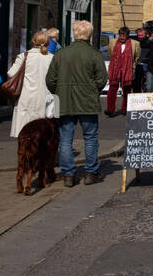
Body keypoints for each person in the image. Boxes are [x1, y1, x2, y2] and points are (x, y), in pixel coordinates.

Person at [45, 19, 108, 185]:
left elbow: (50, 80)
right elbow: (102, 80)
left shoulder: (61, 54)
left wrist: (58, 92)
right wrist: (93, 90)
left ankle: (68, 175)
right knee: (90, 137)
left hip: (64, 99)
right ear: (89, 34)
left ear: (74, 33)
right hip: (87, 100)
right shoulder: (94, 54)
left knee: (65, 139)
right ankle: (90, 172)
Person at [9, 30, 60, 138]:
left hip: (27, 97)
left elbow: (11, 73)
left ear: (33, 41)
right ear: (48, 43)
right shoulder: (53, 58)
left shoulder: (24, 56)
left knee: (26, 133)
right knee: (47, 133)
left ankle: (29, 153)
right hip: (49, 97)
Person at [106, 26, 138, 116]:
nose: (121, 37)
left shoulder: (135, 44)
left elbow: (137, 57)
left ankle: (125, 109)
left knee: (127, 90)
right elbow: (109, 54)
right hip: (115, 69)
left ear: (127, 35)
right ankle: (110, 109)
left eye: (123, 35)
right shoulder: (112, 42)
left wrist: (130, 66)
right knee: (112, 88)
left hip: (127, 69)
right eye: (120, 35)